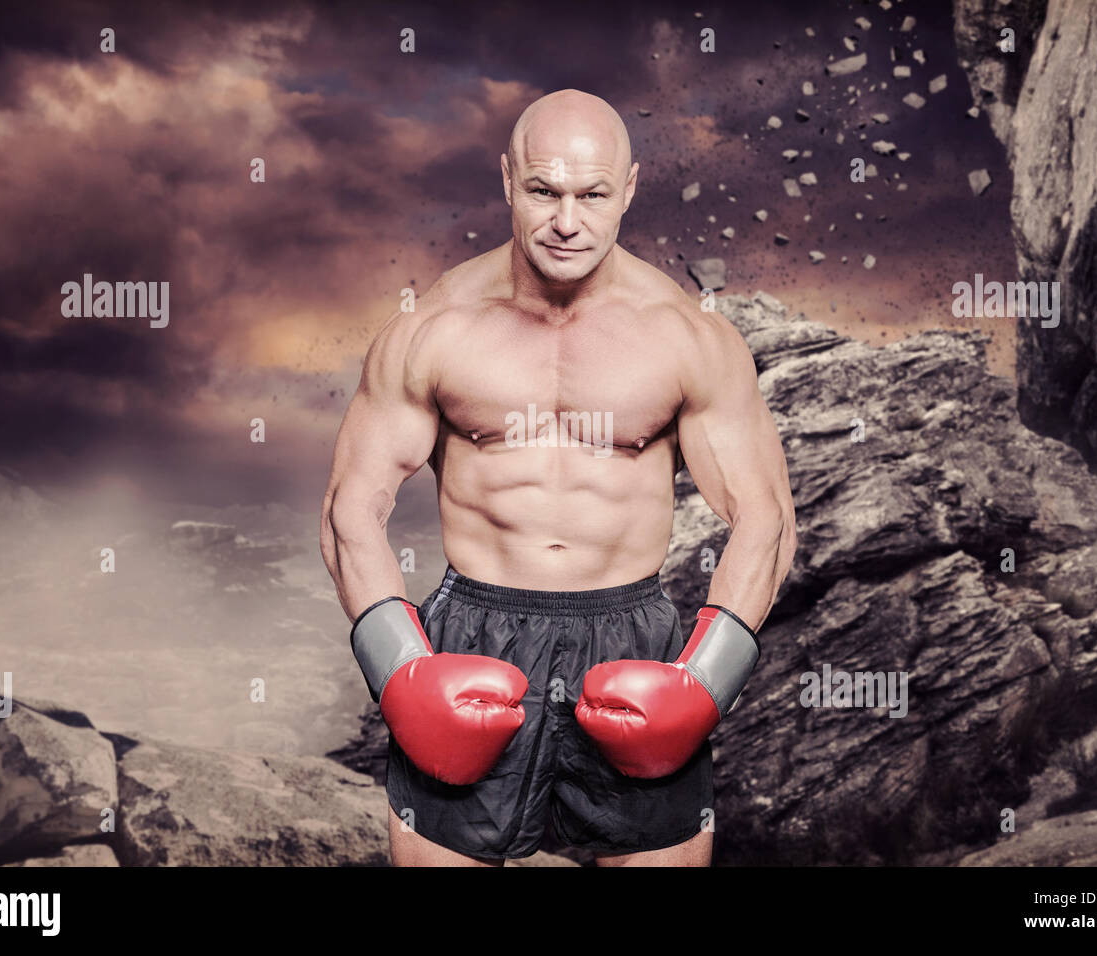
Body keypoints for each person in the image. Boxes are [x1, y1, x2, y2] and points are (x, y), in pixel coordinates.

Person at [320, 88, 796, 866]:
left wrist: (707, 680)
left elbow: (766, 518)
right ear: (508, 180)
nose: (567, 222)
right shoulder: (434, 328)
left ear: (630, 190)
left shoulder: (686, 337)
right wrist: (402, 670)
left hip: (631, 638)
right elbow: (351, 508)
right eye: (544, 191)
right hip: (475, 633)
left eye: (593, 195)